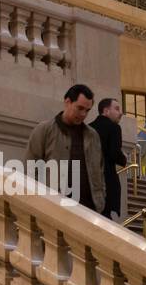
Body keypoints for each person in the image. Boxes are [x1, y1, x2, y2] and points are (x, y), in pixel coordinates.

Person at [24, 84, 106, 213]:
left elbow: (100, 171)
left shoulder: (93, 135)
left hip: (89, 208)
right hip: (56, 206)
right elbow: (30, 169)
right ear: (67, 102)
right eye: (80, 108)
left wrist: (101, 198)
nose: (83, 114)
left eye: (87, 110)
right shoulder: (44, 130)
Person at [90, 97, 127, 219]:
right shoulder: (114, 127)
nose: (120, 113)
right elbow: (114, 153)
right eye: (116, 109)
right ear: (105, 111)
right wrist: (123, 159)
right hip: (106, 180)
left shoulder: (88, 128)